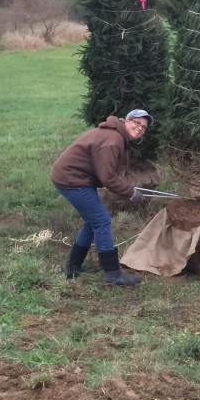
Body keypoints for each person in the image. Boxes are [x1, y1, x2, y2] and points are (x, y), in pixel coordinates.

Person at [51, 109, 154, 286]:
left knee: (93, 221)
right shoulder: (113, 141)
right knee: (101, 220)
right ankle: (112, 274)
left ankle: (73, 266)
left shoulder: (115, 136)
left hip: (76, 178)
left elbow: (106, 173)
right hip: (72, 179)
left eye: (143, 127)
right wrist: (131, 193)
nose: (140, 129)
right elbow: (108, 177)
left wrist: (127, 188)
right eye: (137, 123)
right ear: (127, 120)